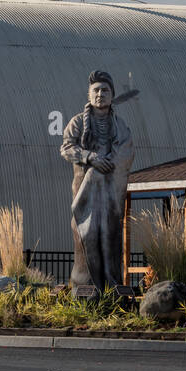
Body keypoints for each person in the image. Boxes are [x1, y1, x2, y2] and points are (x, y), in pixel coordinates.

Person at [60, 70, 134, 292]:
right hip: (86, 191)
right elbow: (66, 148)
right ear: (88, 95)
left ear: (112, 95)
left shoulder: (120, 125)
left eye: (105, 90)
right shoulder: (77, 122)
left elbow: (127, 152)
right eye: (96, 90)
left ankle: (111, 284)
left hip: (110, 192)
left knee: (110, 233)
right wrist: (90, 158)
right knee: (86, 233)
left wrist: (108, 164)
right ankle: (85, 283)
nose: (100, 94)